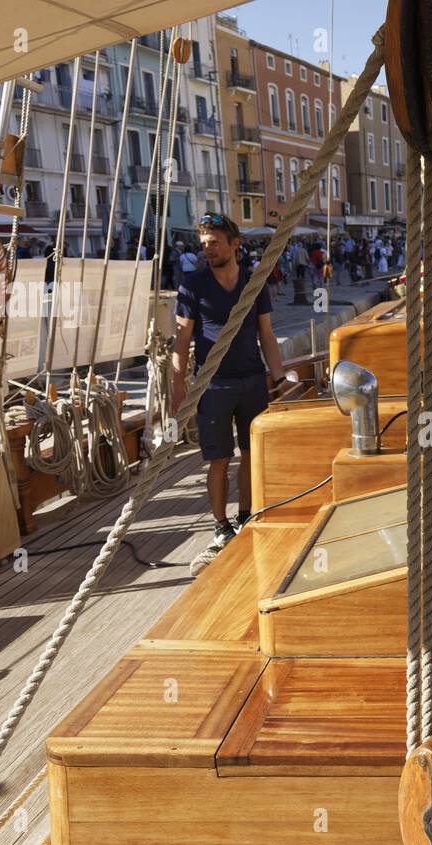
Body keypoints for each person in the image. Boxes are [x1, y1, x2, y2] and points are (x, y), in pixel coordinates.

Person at [172, 213, 286, 576]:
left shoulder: (255, 283)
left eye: (215, 242)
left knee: (252, 456)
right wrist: (179, 392)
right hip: (213, 385)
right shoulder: (193, 286)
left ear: (235, 244)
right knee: (219, 459)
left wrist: (279, 377)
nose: (208, 249)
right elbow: (181, 341)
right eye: (204, 244)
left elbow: (266, 334)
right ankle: (221, 527)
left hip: (253, 381)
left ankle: (246, 516)